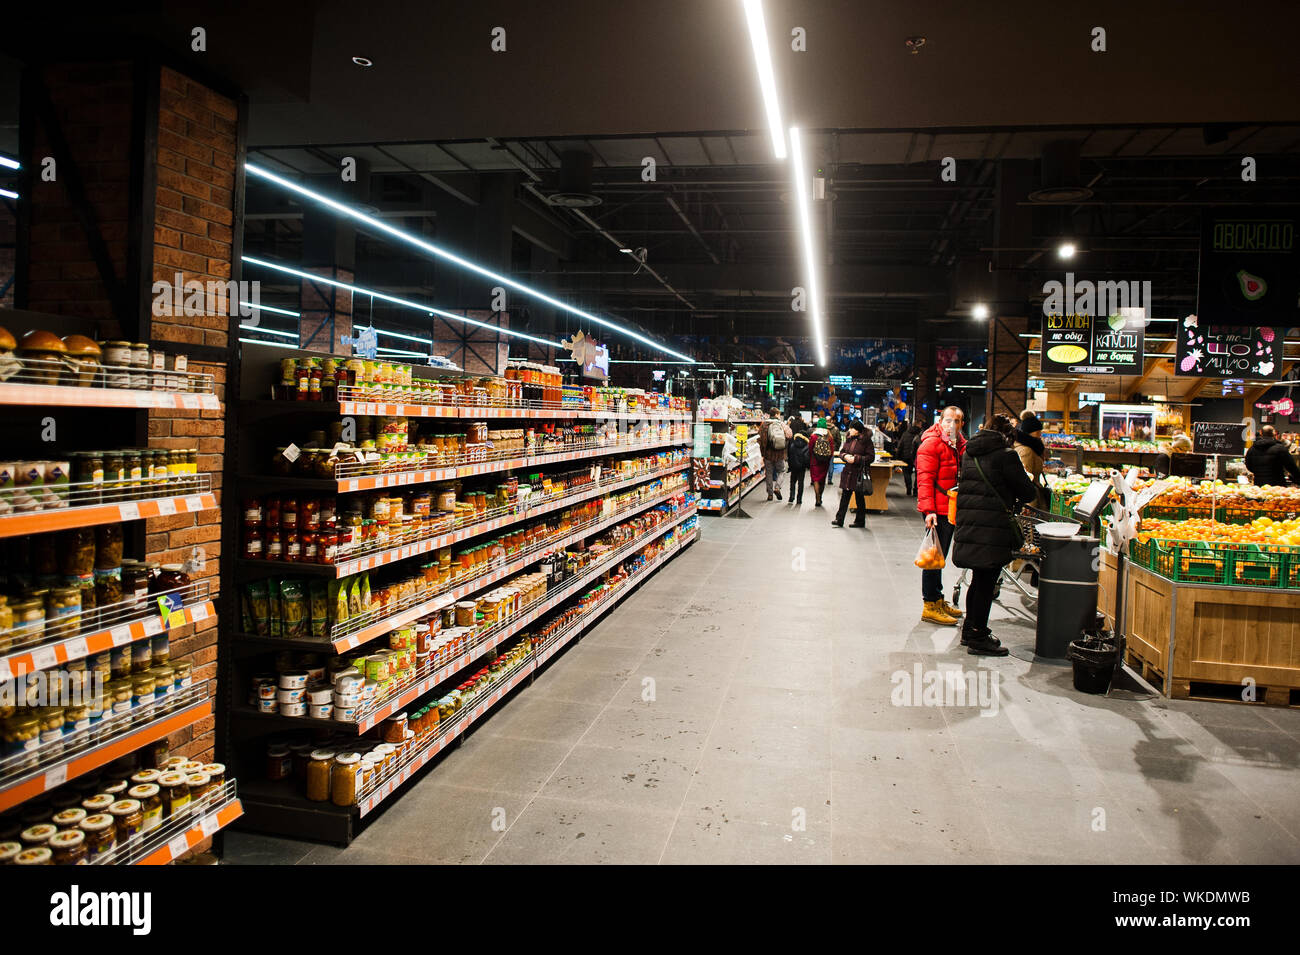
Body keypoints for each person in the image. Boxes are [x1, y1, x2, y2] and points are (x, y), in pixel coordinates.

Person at [952, 414, 1037, 656]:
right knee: (986, 581)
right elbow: (1026, 491)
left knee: (978, 579)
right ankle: (979, 635)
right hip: (993, 526)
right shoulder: (1006, 455)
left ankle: (970, 630)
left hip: (971, 523)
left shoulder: (970, 452)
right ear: (1007, 435)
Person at [915, 406, 966, 625]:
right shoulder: (932, 443)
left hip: (950, 508)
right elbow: (924, 478)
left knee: (940, 557)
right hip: (937, 511)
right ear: (940, 420)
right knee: (933, 558)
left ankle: (937, 599)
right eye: (947, 420)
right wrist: (929, 511)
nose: (951, 425)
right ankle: (930, 605)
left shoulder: (958, 444)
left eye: (956, 421)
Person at [832, 419, 875, 528]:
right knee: (845, 497)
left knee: (859, 498)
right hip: (848, 472)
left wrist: (856, 459)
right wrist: (845, 456)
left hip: (858, 473)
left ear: (858, 430)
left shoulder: (866, 441)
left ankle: (860, 521)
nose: (850, 430)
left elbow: (871, 457)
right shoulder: (849, 439)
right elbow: (842, 452)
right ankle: (839, 519)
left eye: (852, 428)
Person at [1012, 411, 1049, 509]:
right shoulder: (1026, 451)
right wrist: (1028, 508)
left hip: (1033, 495)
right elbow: (1026, 479)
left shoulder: (1032, 447)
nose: (1040, 434)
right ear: (1031, 432)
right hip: (1031, 500)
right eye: (1038, 432)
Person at [756, 405, 792, 501]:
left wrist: (762, 451)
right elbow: (789, 435)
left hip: (767, 453)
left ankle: (770, 494)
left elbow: (759, 438)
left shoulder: (764, 425)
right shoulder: (781, 424)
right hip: (779, 453)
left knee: (769, 473)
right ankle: (777, 487)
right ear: (776, 414)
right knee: (782, 471)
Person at [807, 417, 840, 507]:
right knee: (822, 479)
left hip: (815, 461)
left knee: (815, 479)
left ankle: (817, 498)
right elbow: (832, 450)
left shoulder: (814, 436)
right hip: (825, 462)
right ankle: (820, 496)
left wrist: (811, 458)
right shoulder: (829, 436)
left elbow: (810, 448)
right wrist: (828, 459)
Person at [786, 414, 811, 505]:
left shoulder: (792, 444)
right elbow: (807, 458)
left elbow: (789, 455)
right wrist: (807, 466)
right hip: (801, 467)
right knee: (801, 483)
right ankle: (799, 499)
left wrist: (790, 465)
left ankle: (791, 497)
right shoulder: (806, 446)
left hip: (793, 466)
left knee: (792, 481)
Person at [898, 423, 923, 496]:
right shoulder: (920, 436)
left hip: (906, 456)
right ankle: (915, 490)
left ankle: (909, 488)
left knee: (906, 473)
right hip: (917, 457)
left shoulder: (905, 434)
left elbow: (900, 445)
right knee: (917, 475)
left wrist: (898, 456)